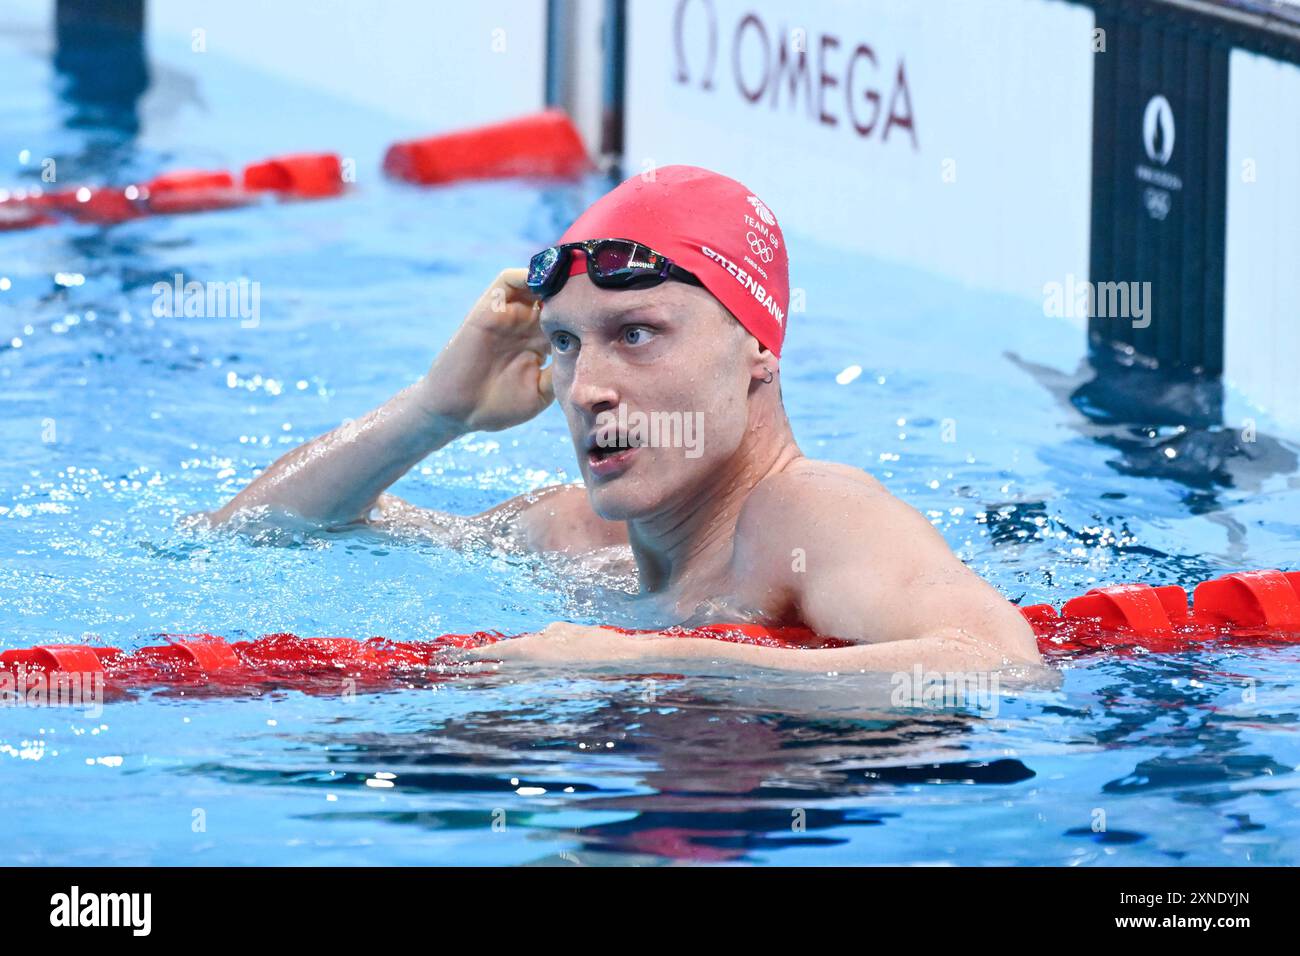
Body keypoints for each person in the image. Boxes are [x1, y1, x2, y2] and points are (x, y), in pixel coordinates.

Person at [203, 165, 1042, 673]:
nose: (584, 388)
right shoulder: (574, 536)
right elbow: (256, 534)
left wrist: (636, 661)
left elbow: (996, 662)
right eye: (565, 343)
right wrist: (435, 411)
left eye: (636, 334)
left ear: (756, 346)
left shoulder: (806, 514)